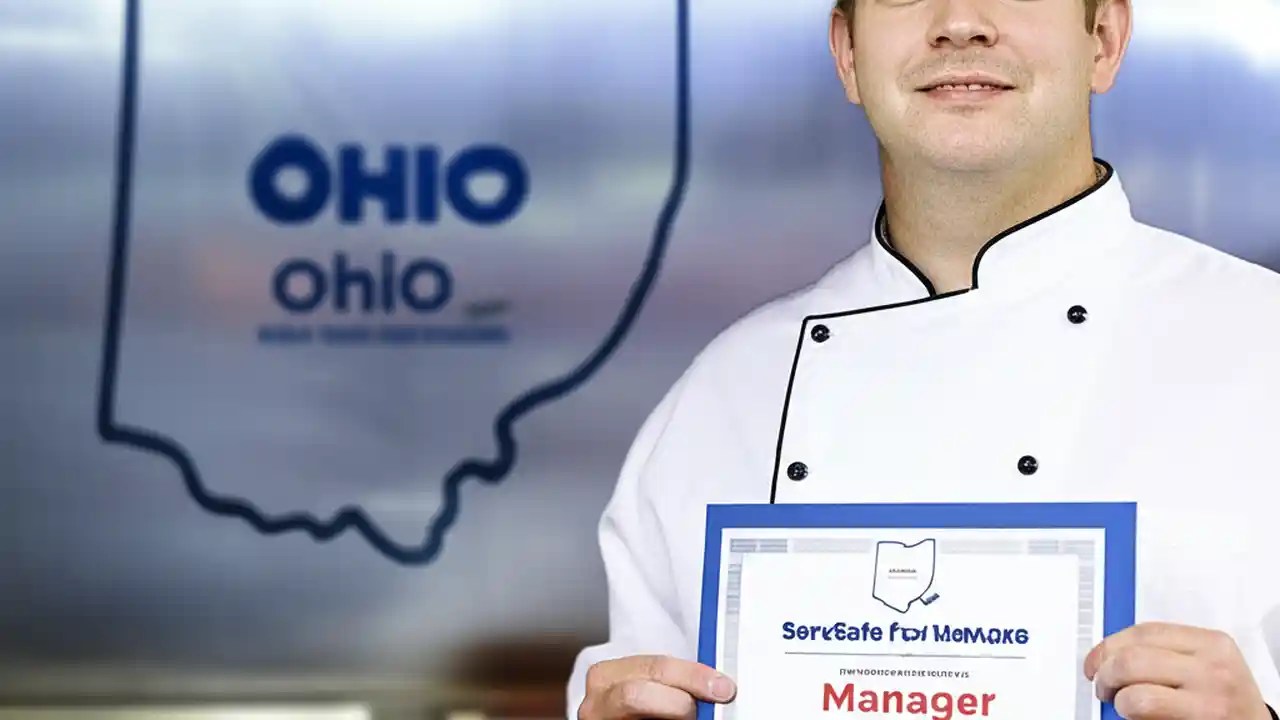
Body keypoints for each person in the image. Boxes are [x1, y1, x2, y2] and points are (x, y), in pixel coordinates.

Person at [569, 0, 1280, 717]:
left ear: (1103, 40)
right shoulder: (729, 389)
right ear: (848, 54)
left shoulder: (1260, 339)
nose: (961, 21)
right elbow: (634, 675)